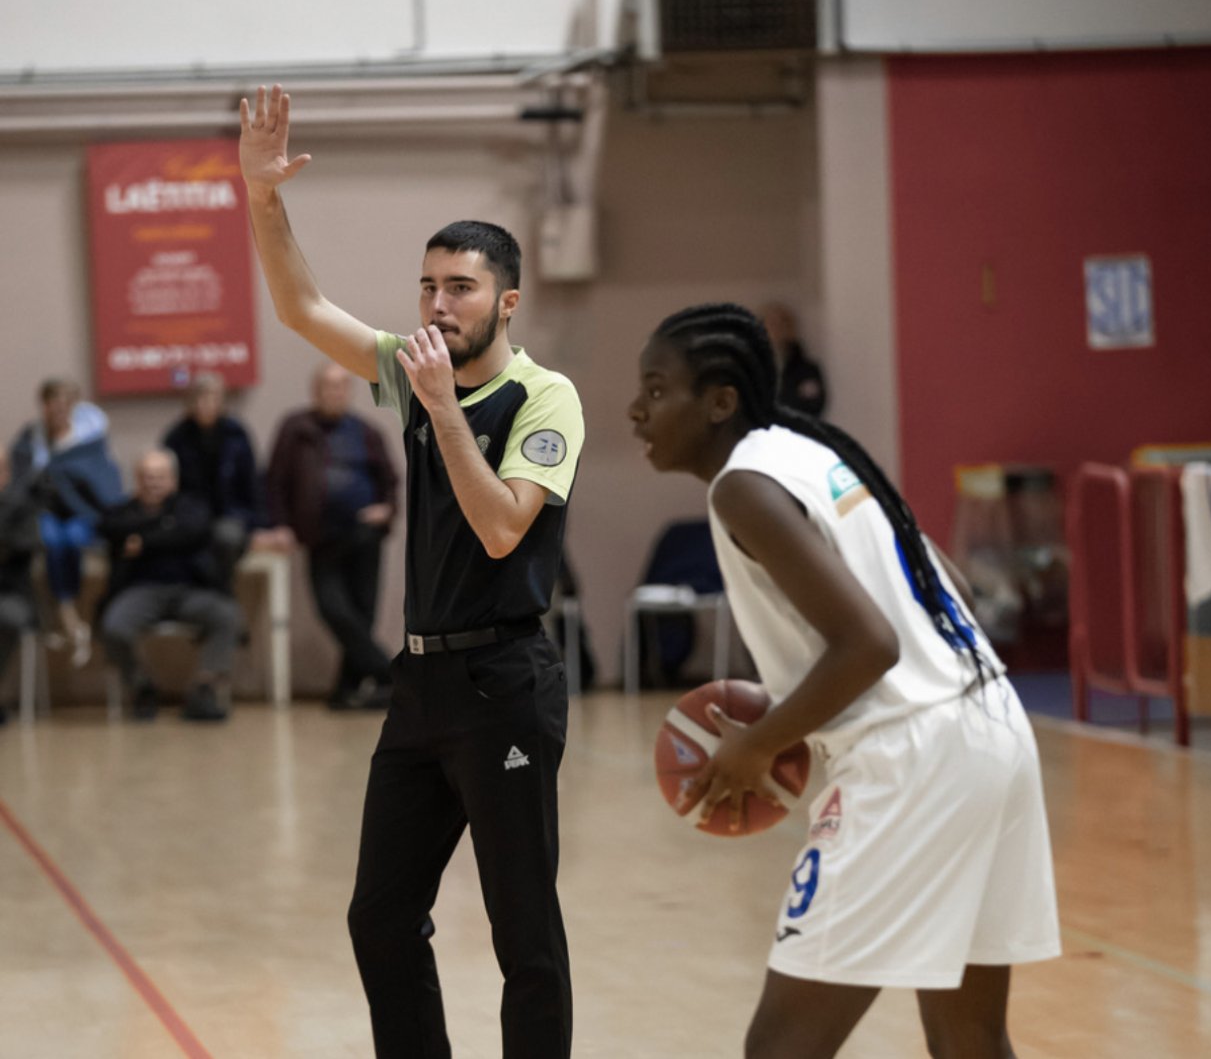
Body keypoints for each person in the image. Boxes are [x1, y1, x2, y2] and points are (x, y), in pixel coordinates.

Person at [239, 84, 585, 1058]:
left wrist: (439, 409)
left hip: (506, 683)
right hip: (421, 682)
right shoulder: (415, 366)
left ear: (505, 301)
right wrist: (262, 194)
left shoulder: (542, 397)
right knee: (379, 917)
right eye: (428, 285)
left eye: (460, 287)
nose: (437, 303)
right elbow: (302, 306)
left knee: (525, 934)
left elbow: (505, 527)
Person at [627, 303, 1059, 1059]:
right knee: (971, 1037)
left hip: (912, 757)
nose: (637, 408)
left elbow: (869, 644)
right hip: (990, 728)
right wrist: (798, 701)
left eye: (658, 390)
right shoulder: (811, 454)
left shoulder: (742, 487)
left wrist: (757, 744)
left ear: (720, 401)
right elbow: (939, 579)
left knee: (782, 1046)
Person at [264, 363, 399, 710]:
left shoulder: (366, 431)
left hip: (365, 536)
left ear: (349, 392)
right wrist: (280, 524)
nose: (334, 393)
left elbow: (390, 480)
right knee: (334, 610)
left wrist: (386, 509)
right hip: (321, 538)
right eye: (327, 387)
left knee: (362, 613)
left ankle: (345, 692)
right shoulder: (296, 428)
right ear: (315, 391)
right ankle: (394, 676)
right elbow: (275, 481)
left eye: (341, 387)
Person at [98, 449, 244, 722]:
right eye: (147, 477)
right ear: (137, 481)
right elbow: (109, 527)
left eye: (160, 477)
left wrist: (143, 541)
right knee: (114, 626)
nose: (153, 483)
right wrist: (164, 526)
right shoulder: (121, 512)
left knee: (228, 616)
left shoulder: (192, 506)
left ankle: (204, 689)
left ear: (173, 480)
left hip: (190, 590)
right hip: (140, 591)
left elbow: (193, 530)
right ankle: (142, 688)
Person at [9, 378, 123, 666]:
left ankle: (68, 615)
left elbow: (102, 482)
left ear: (73, 407)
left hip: (81, 511)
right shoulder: (30, 439)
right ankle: (65, 614)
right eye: (51, 405)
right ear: (44, 406)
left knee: (71, 539)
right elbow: (20, 483)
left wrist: (63, 474)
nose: (57, 411)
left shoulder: (89, 442)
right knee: (49, 539)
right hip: (45, 513)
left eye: (64, 405)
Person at [162, 371, 263, 587]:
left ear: (222, 401)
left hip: (232, 514)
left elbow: (251, 482)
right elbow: (168, 485)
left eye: (212, 398)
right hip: (190, 515)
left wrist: (260, 524)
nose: (205, 404)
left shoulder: (236, 434)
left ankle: (218, 594)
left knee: (226, 538)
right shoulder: (176, 437)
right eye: (200, 397)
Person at [0, 451, 42, 725]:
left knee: (6, 618)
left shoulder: (22, 505)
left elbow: (24, 545)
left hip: (10, 592)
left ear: (6, 472)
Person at [761, 302, 828, 419]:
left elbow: (815, 404)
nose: (776, 330)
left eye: (781, 324)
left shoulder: (807, 370)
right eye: (771, 324)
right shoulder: (753, 368)